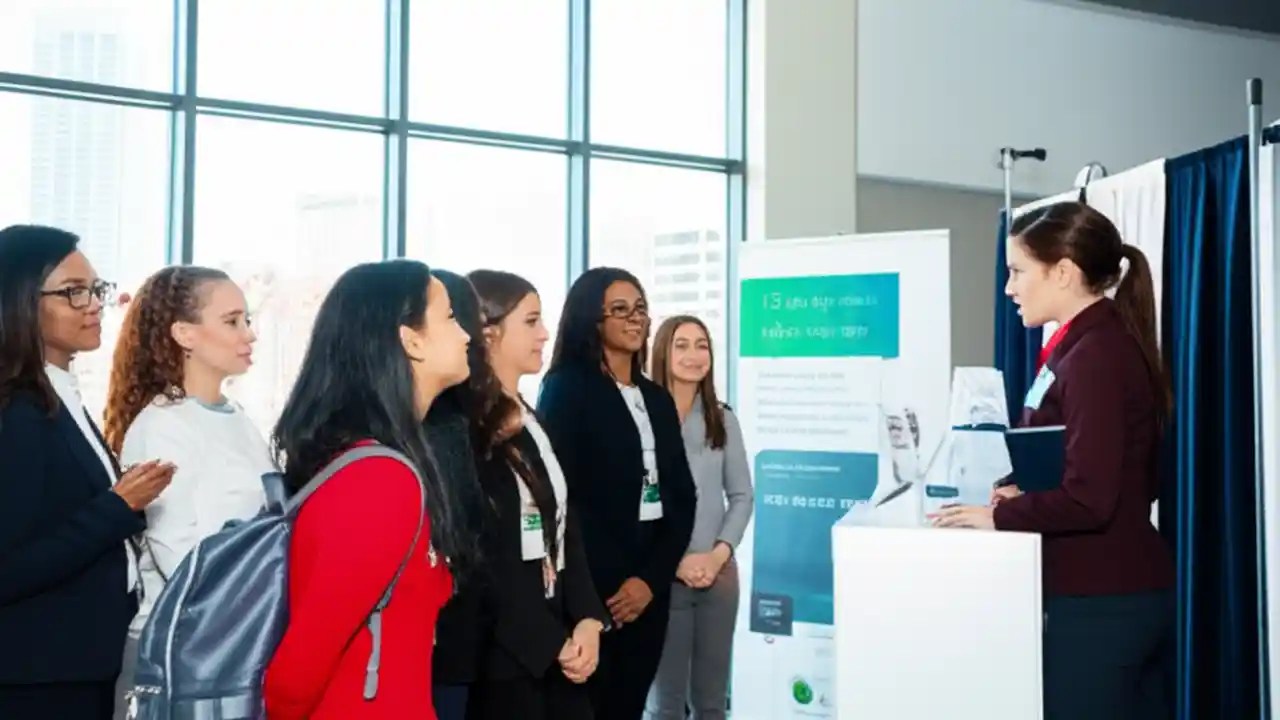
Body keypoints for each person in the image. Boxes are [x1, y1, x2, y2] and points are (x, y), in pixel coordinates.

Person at [929, 201, 1174, 720]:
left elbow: (1091, 499)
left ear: (1063, 273)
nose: (1008, 288)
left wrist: (998, 516)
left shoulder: (1095, 357)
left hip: (1105, 599)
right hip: (1108, 591)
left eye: (1017, 271)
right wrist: (1030, 492)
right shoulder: (1085, 347)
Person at [263, 260, 474, 719]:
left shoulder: (386, 466)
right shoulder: (379, 481)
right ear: (410, 339)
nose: (467, 335)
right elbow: (294, 674)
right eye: (451, 318)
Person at [0, 224, 175, 719]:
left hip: (78, 666)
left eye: (94, 289)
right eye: (73, 292)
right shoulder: (14, 409)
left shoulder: (59, 394)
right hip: (35, 678)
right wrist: (119, 507)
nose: (94, 304)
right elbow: (10, 564)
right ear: (18, 301)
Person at [103, 266, 271, 718]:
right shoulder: (162, 426)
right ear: (184, 333)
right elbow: (181, 557)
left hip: (234, 641)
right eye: (232, 321)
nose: (249, 335)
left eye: (247, 320)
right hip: (181, 649)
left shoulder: (239, 418)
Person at [537, 267, 697, 720]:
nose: (635, 319)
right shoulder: (568, 389)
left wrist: (650, 580)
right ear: (593, 320)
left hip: (649, 591)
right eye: (620, 310)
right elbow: (561, 502)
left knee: (629, 707)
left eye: (641, 309)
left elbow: (681, 499)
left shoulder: (657, 399)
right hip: (594, 594)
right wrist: (601, 589)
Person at [466, 269, 608, 720]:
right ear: (489, 335)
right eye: (531, 322)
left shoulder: (529, 417)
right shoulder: (469, 432)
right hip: (506, 658)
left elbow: (566, 525)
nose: (545, 333)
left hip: (559, 635)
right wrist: (551, 644)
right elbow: (485, 561)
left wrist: (588, 617)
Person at [645, 315, 753, 720]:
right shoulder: (643, 419)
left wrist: (716, 556)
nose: (694, 355)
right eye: (682, 345)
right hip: (661, 578)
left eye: (702, 345)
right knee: (665, 705)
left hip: (718, 576)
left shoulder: (722, 419)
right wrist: (676, 561)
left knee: (711, 703)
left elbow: (742, 496)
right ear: (662, 353)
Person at [423, 269, 489, 720]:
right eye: (456, 320)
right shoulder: (433, 426)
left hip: (458, 642)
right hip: (430, 648)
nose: (471, 335)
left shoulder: (455, 421)